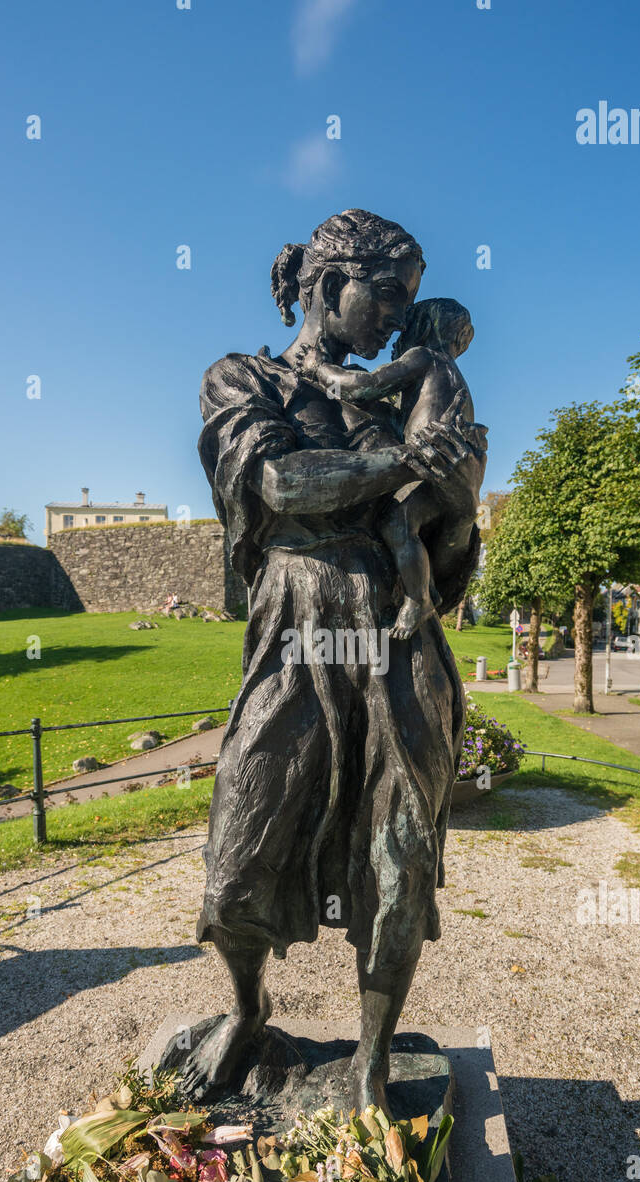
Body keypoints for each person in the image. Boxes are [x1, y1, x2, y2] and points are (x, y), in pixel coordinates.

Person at [184, 209, 485, 1113]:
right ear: (324, 286)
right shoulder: (244, 379)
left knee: (396, 864)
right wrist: (406, 461)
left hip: (398, 642)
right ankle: (245, 1009)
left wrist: (461, 500)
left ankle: (372, 1057)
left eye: (407, 294)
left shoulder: (411, 392)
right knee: (239, 852)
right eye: (384, 292)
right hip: (298, 630)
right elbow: (279, 488)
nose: (398, 315)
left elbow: (446, 549)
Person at [302, 299, 481, 638]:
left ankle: (419, 598)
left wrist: (317, 368)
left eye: (405, 329)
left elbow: (365, 385)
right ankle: (425, 586)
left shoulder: (423, 357)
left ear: (423, 329)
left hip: (434, 466)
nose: (397, 338)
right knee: (409, 524)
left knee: (397, 522)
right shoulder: (452, 375)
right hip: (451, 469)